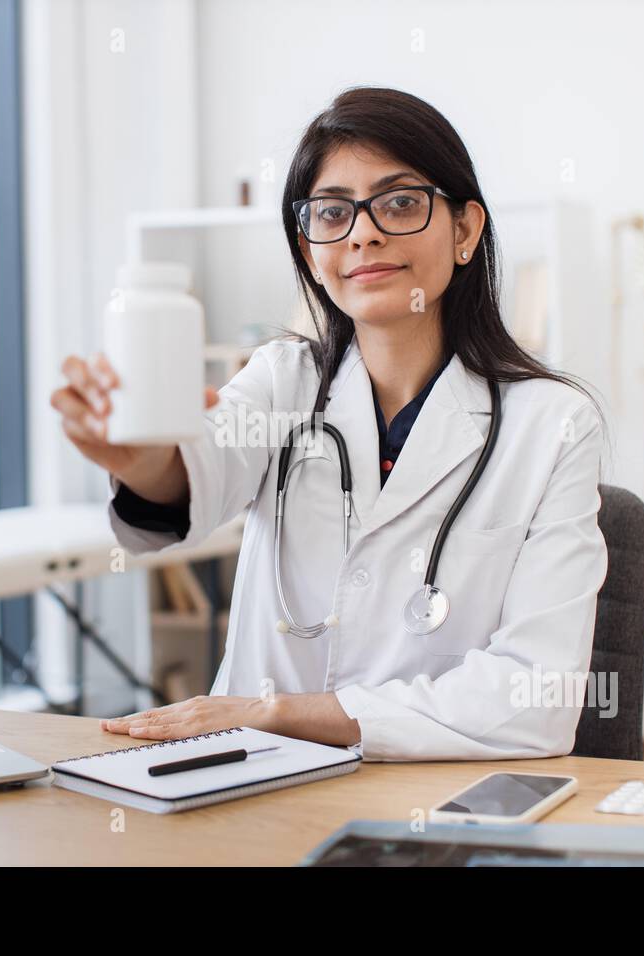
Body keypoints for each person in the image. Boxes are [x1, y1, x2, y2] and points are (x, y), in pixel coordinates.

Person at [51, 86, 607, 761]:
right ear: (309, 245)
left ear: (465, 230)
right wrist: (137, 460)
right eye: (333, 212)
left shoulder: (552, 425)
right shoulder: (282, 382)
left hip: (435, 793)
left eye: (400, 202)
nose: (363, 233)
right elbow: (188, 482)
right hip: (246, 783)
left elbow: (536, 697)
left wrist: (281, 713)